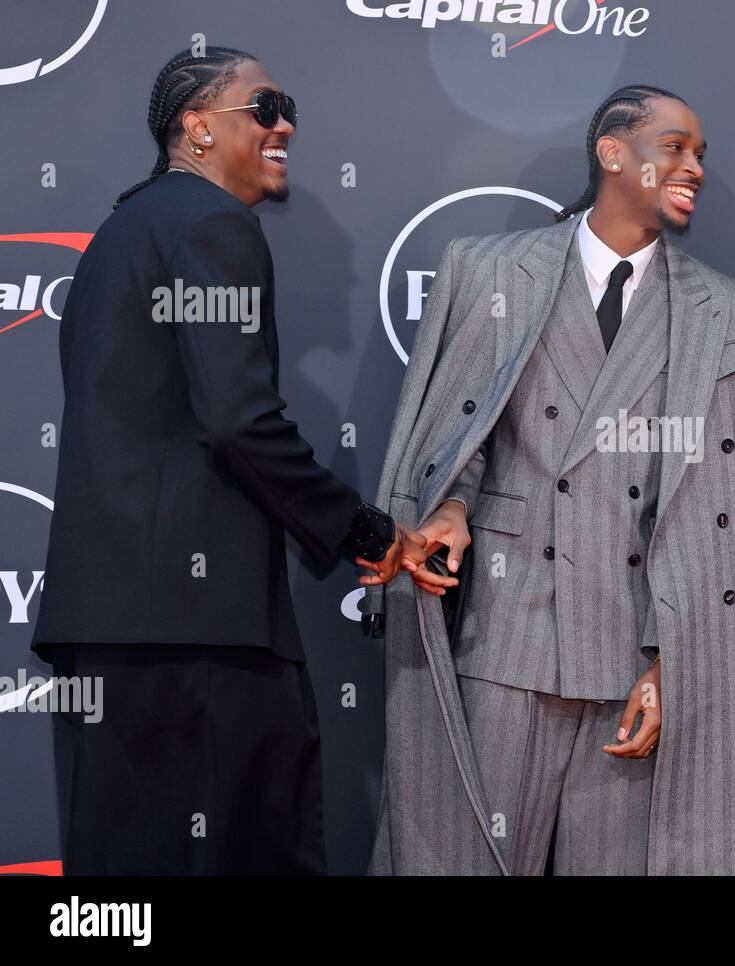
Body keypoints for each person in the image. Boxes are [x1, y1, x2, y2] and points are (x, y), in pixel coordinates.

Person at [32, 47, 423, 874]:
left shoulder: (120, 231)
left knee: (119, 882)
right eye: (266, 106)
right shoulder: (211, 224)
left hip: (107, 632)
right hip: (195, 631)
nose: (284, 125)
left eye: (289, 110)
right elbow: (238, 421)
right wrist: (360, 527)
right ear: (198, 127)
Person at [361, 84, 735, 874]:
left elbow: (719, 511)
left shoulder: (725, 309)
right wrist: (450, 503)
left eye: (701, 155)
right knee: (455, 857)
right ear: (613, 154)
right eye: (675, 147)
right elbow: (457, 432)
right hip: (509, 635)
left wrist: (674, 665)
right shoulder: (487, 270)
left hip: (636, 646)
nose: (695, 168)